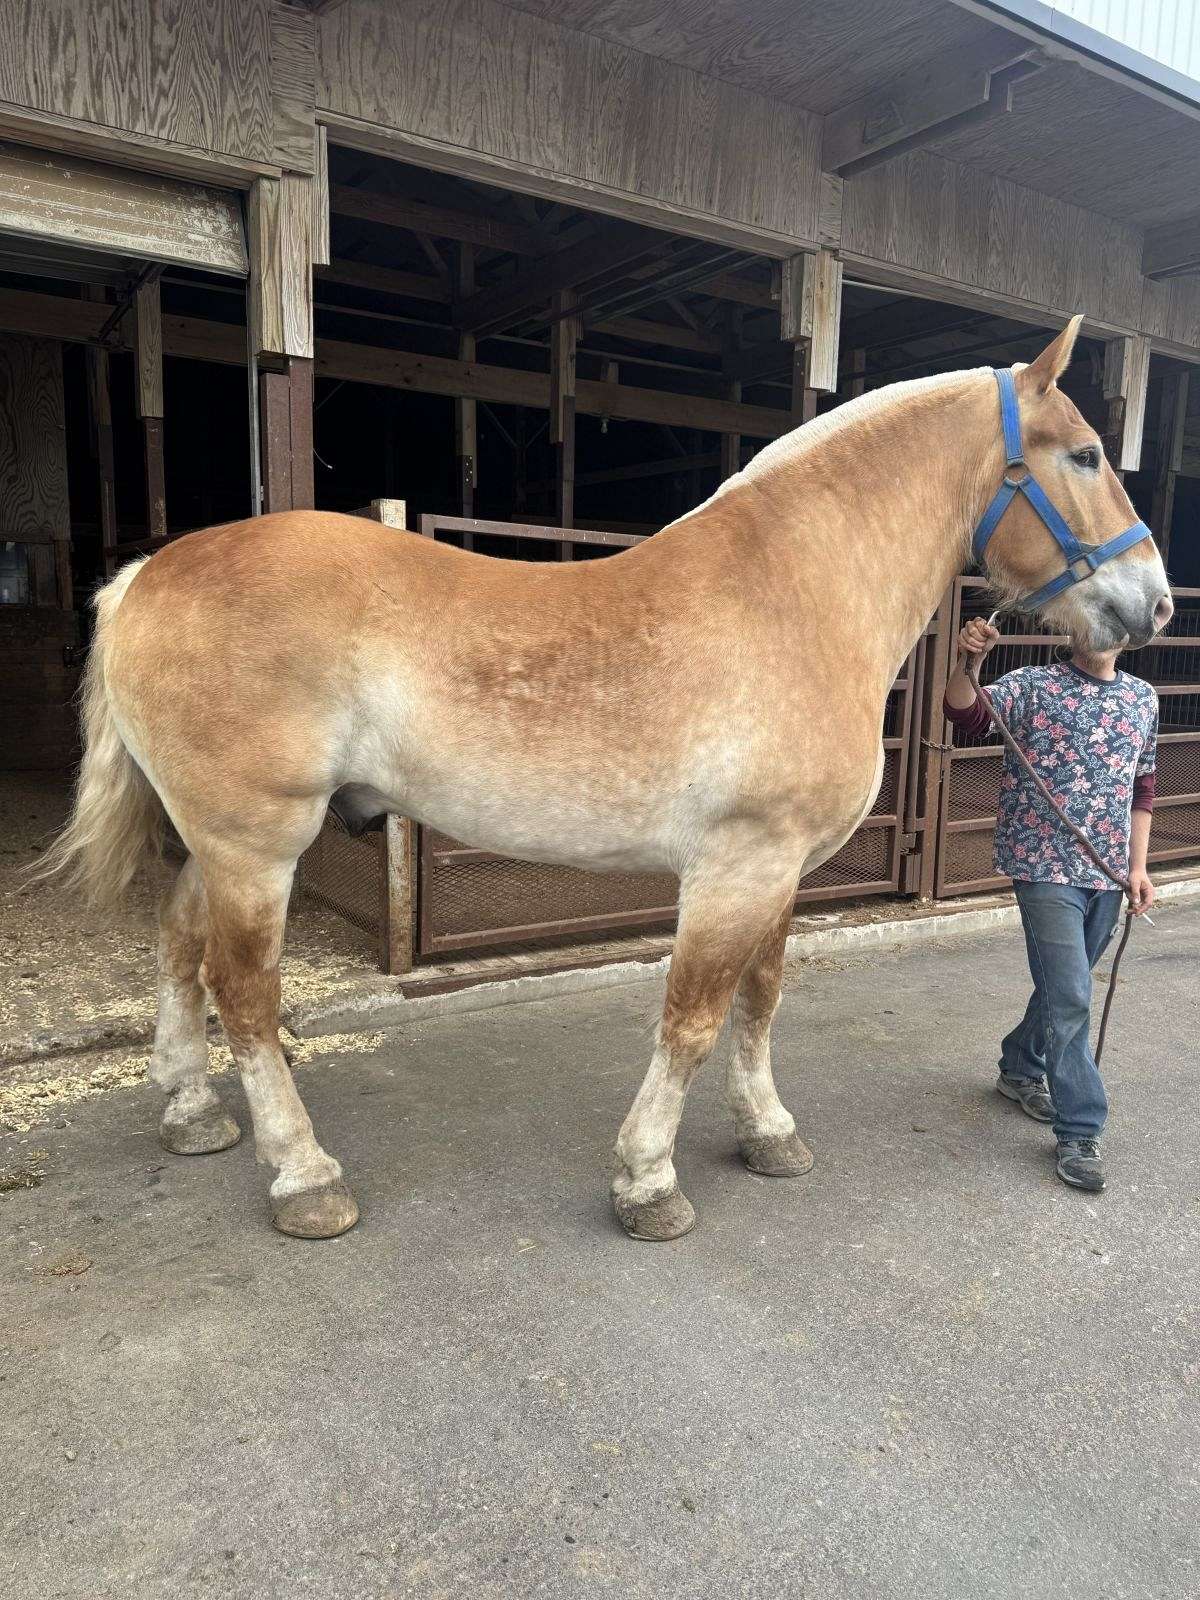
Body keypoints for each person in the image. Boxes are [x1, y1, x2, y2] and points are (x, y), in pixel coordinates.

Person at [943, 618, 1158, 1193]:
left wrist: (1137, 868)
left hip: (1108, 872)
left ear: (1129, 637)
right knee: (1071, 995)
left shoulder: (1142, 699)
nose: (1102, 630)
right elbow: (965, 717)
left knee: (1067, 987)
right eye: (1092, 620)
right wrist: (968, 664)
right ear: (1073, 630)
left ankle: (1019, 1064)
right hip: (1043, 866)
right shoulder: (1033, 685)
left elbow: (1143, 788)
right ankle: (1081, 1128)